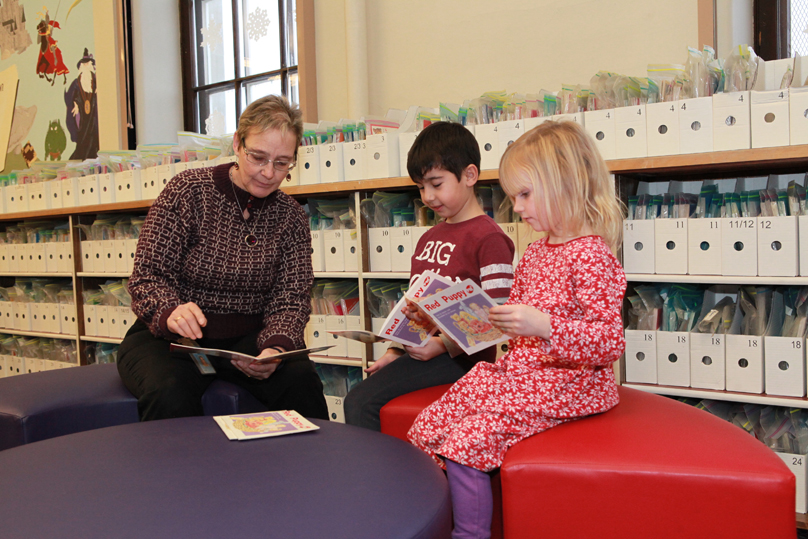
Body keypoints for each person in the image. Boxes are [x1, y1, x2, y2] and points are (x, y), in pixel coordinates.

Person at [407, 120, 626, 539]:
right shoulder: (536, 251)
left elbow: (609, 340)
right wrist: (466, 316)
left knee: (469, 439)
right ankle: (438, 516)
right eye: (513, 197)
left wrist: (543, 326)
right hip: (522, 372)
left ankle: (470, 533)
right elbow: (510, 320)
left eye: (525, 195)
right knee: (429, 424)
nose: (518, 208)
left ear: (565, 183)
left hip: (572, 382)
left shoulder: (591, 254)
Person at [117, 95, 328, 422]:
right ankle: (174, 475)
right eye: (258, 157)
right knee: (169, 393)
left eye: (282, 162)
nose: (268, 172)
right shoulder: (188, 191)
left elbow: (291, 296)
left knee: (302, 385)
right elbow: (148, 275)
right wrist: (171, 310)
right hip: (172, 340)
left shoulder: (291, 218)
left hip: (249, 341)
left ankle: (308, 472)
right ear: (237, 143)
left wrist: (274, 348)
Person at [344, 121, 515, 431]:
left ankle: (375, 478)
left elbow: (498, 319)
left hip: (462, 361)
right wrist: (395, 351)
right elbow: (414, 308)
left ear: (470, 175)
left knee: (359, 402)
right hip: (425, 354)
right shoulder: (428, 239)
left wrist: (443, 344)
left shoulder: (489, 238)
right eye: (421, 187)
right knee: (361, 396)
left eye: (436, 184)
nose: (428, 196)